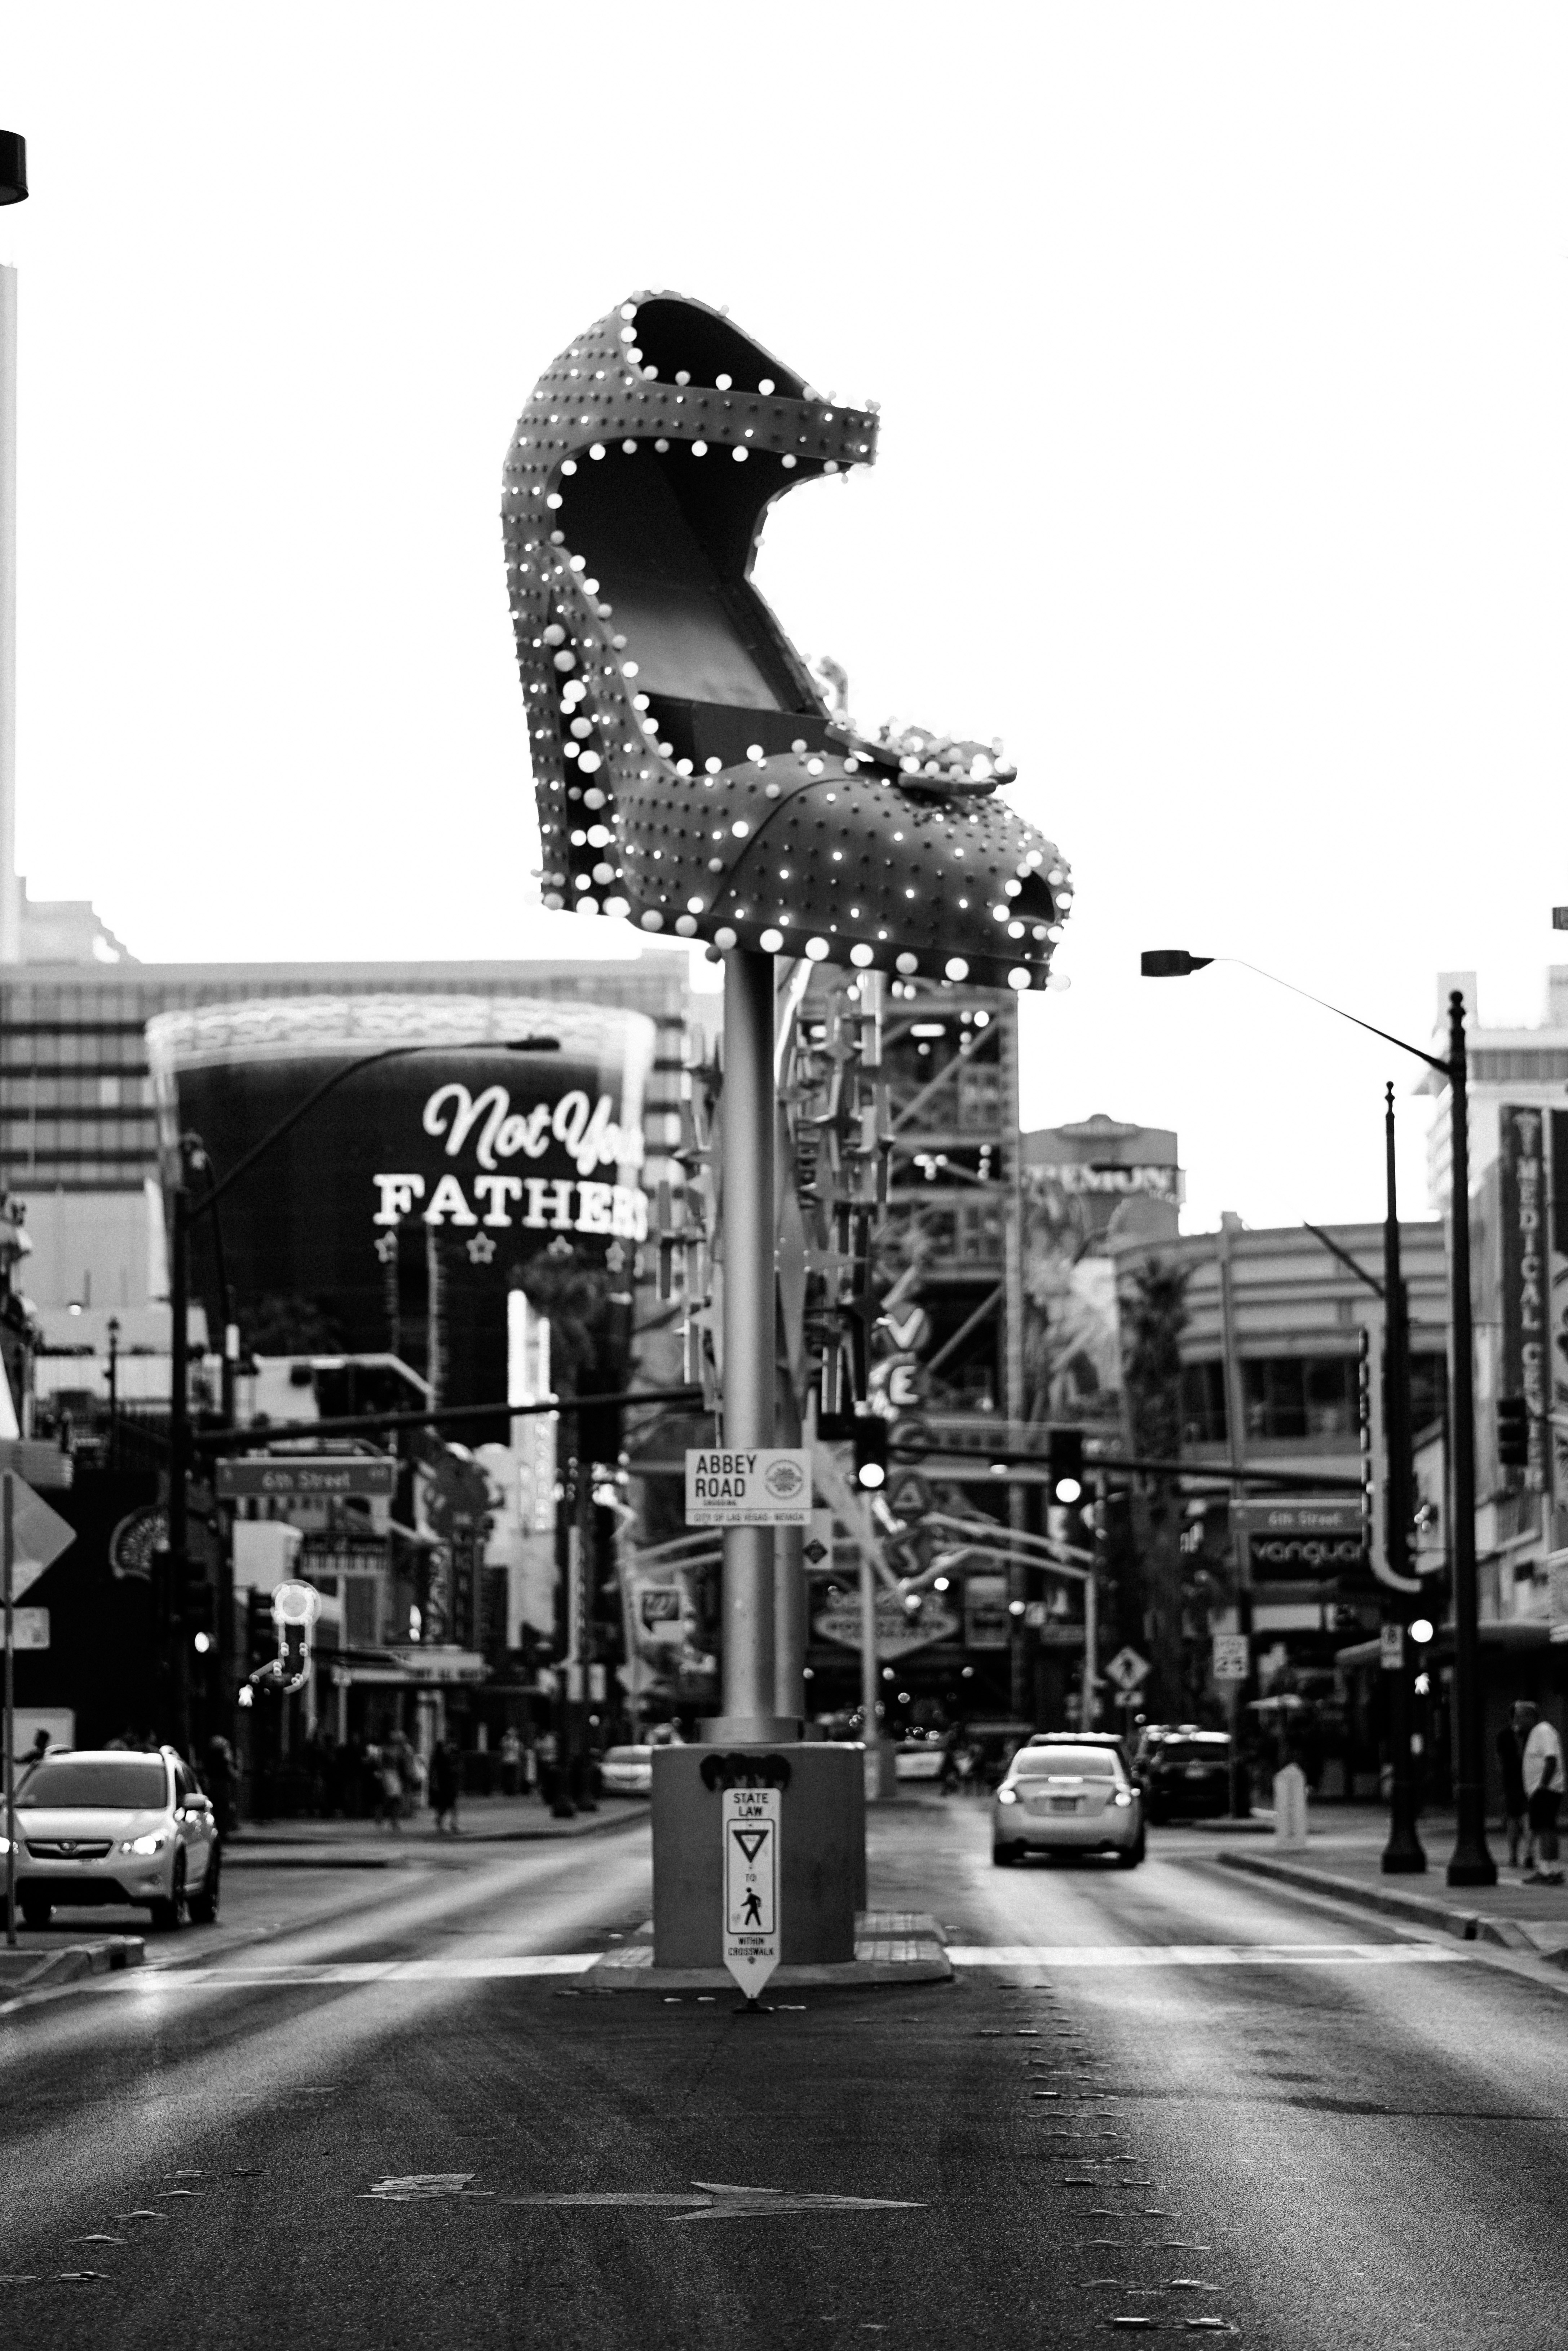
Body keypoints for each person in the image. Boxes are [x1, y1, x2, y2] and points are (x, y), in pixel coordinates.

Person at [1518, 1701, 1565, 1886]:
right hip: (1544, 1790)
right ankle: (1551, 1869)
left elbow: (1551, 1759)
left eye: (1520, 1717)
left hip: (1546, 1790)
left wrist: (1542, 1786)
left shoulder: (1543, 1731)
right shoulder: (1537, 1733)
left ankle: (1547, 1871)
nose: (1516, 1721)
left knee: (1544, 1829)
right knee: (1546, 1828)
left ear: (1531, 1716)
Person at [1497, 1717, 1528, 1869]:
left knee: (1517, 1819)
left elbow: (1501, 1759)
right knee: (1519, 1819)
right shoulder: (1527, 1733)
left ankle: (1519, 1856)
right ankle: (1522, 1855)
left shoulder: (1510, 1735)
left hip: (1518, 1782)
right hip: (1519, 1782)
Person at [430, 1738, 461, 1836]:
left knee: (449, 1805)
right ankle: (447, 1823)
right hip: (445, 1785)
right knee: (448, 1805)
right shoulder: (441, 1759)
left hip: (446, 1785)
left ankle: (449, 1823)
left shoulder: (444, 1758)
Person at [499, 1725, 523, 1799]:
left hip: (514, 1761)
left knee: (513, 1778)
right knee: (507, 1778)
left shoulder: (516, 1741)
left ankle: (513, 1792)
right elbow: (502, 1748)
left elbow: (519, 1750)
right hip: (506, 1761)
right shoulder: (505, 1740)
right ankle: (507, 1792)